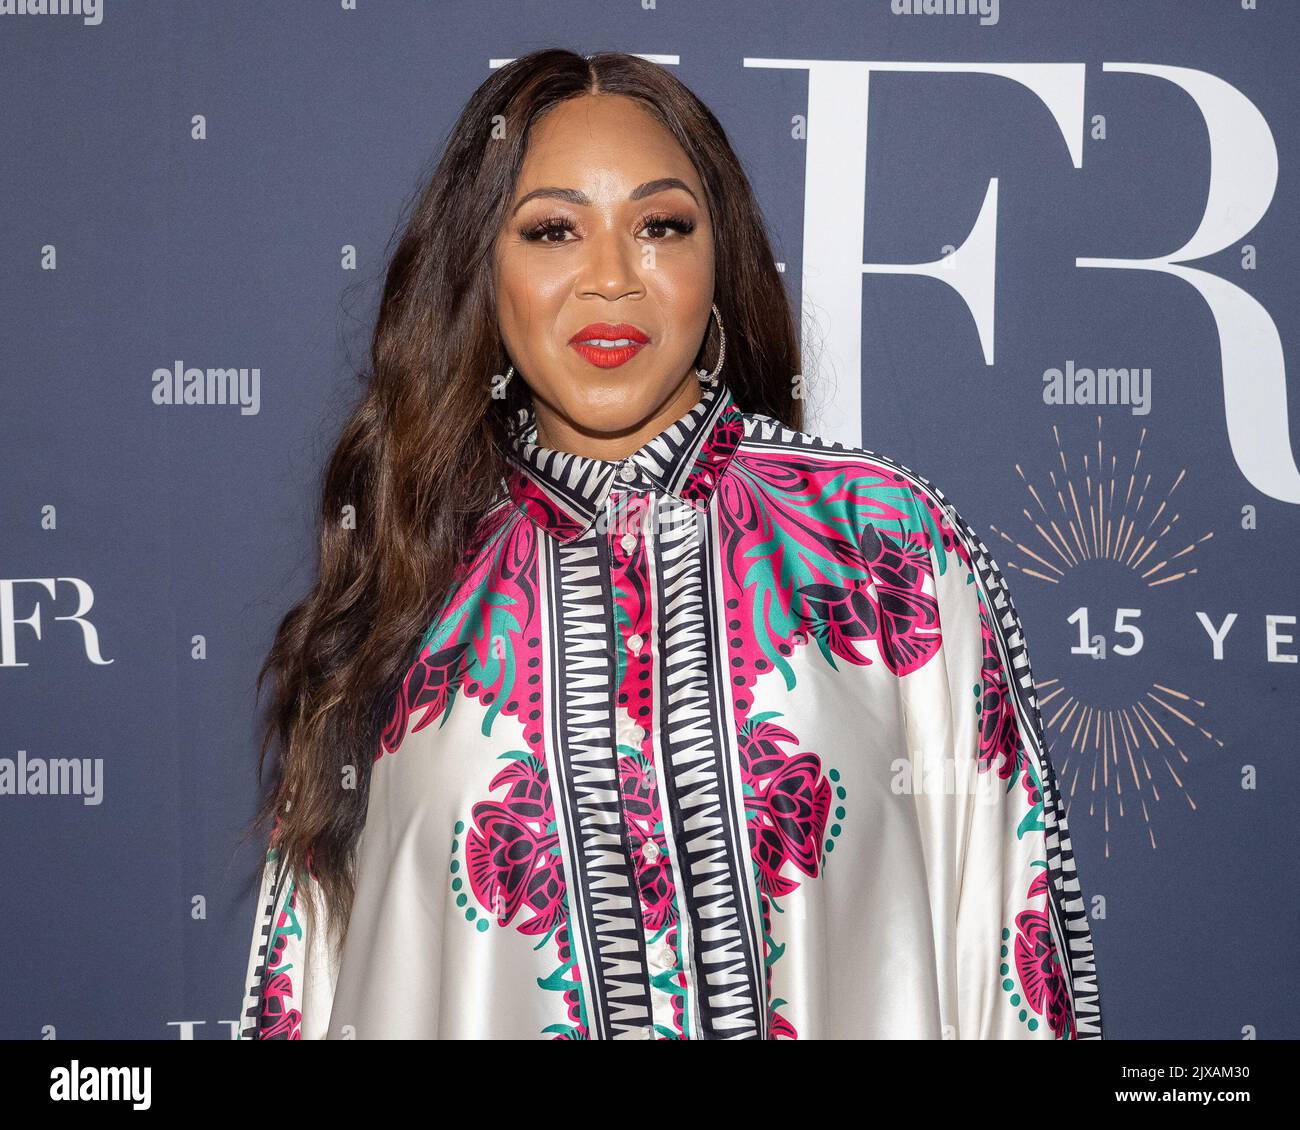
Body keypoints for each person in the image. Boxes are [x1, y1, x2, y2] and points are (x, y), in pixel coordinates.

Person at [238, 48, 1102, 1040]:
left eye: (660, 226)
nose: (611, 278)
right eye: (553, 229)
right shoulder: (406, 591)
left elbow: (1007, 944)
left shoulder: (884, 545)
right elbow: (309, 995)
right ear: (485, 268)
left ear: (716, 260)